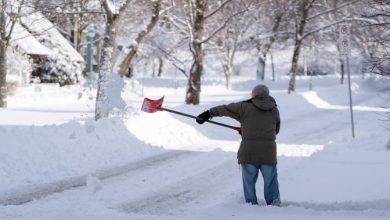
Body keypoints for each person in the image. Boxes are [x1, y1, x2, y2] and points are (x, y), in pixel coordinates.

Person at [196, 84, 281, 206]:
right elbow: (275, 130)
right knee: (271, 181)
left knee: (249, 182)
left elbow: (225, 109)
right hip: (268, 153)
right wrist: (250, 129)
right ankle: (274, 203)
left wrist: (208, 113)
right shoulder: (274, 110)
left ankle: (251, 205)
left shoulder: (244, 107)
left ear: (255, 94)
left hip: (249, 152)